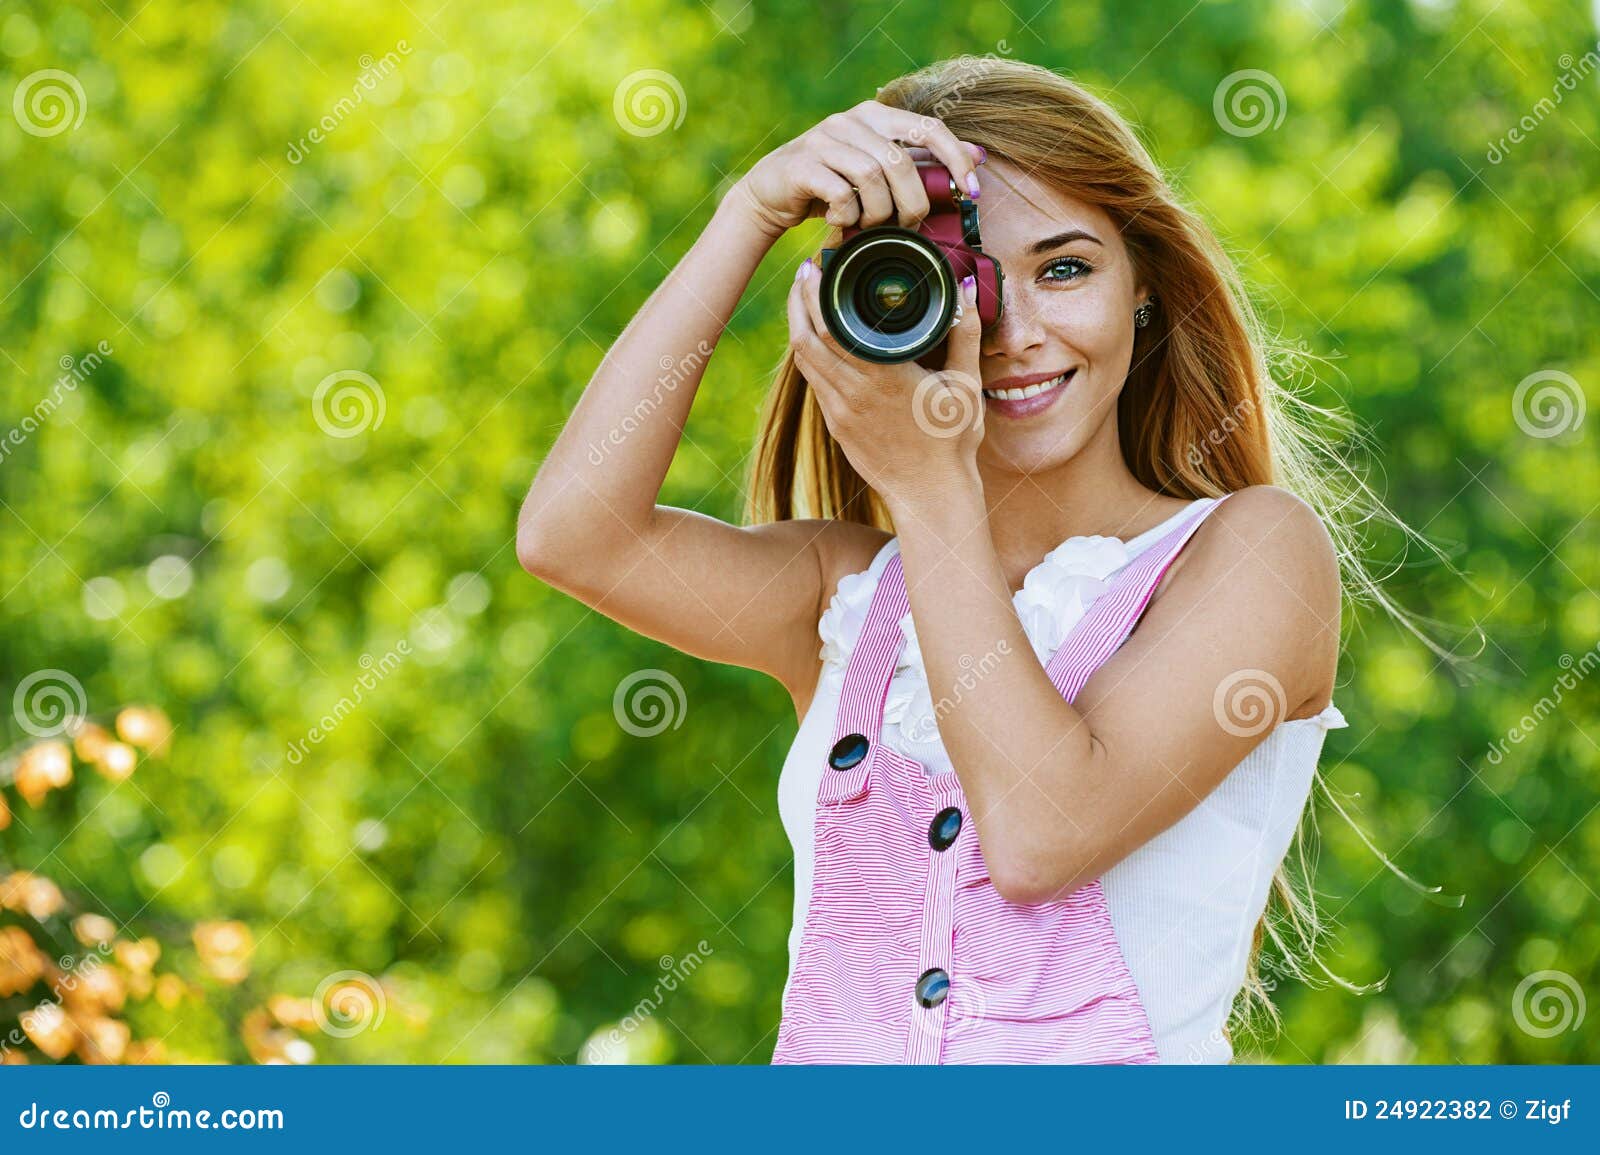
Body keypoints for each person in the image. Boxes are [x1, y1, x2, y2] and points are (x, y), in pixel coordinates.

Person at [519, 57, 1367, 1063]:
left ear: (1143, 289)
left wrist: (929, 487)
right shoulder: (846, 595)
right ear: (879, 305)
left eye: (1065, 268)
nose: (1009, 332)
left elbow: (1039, 838)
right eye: (965, 281)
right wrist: (747, 214)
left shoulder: (1252, 553)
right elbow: (572, 536)